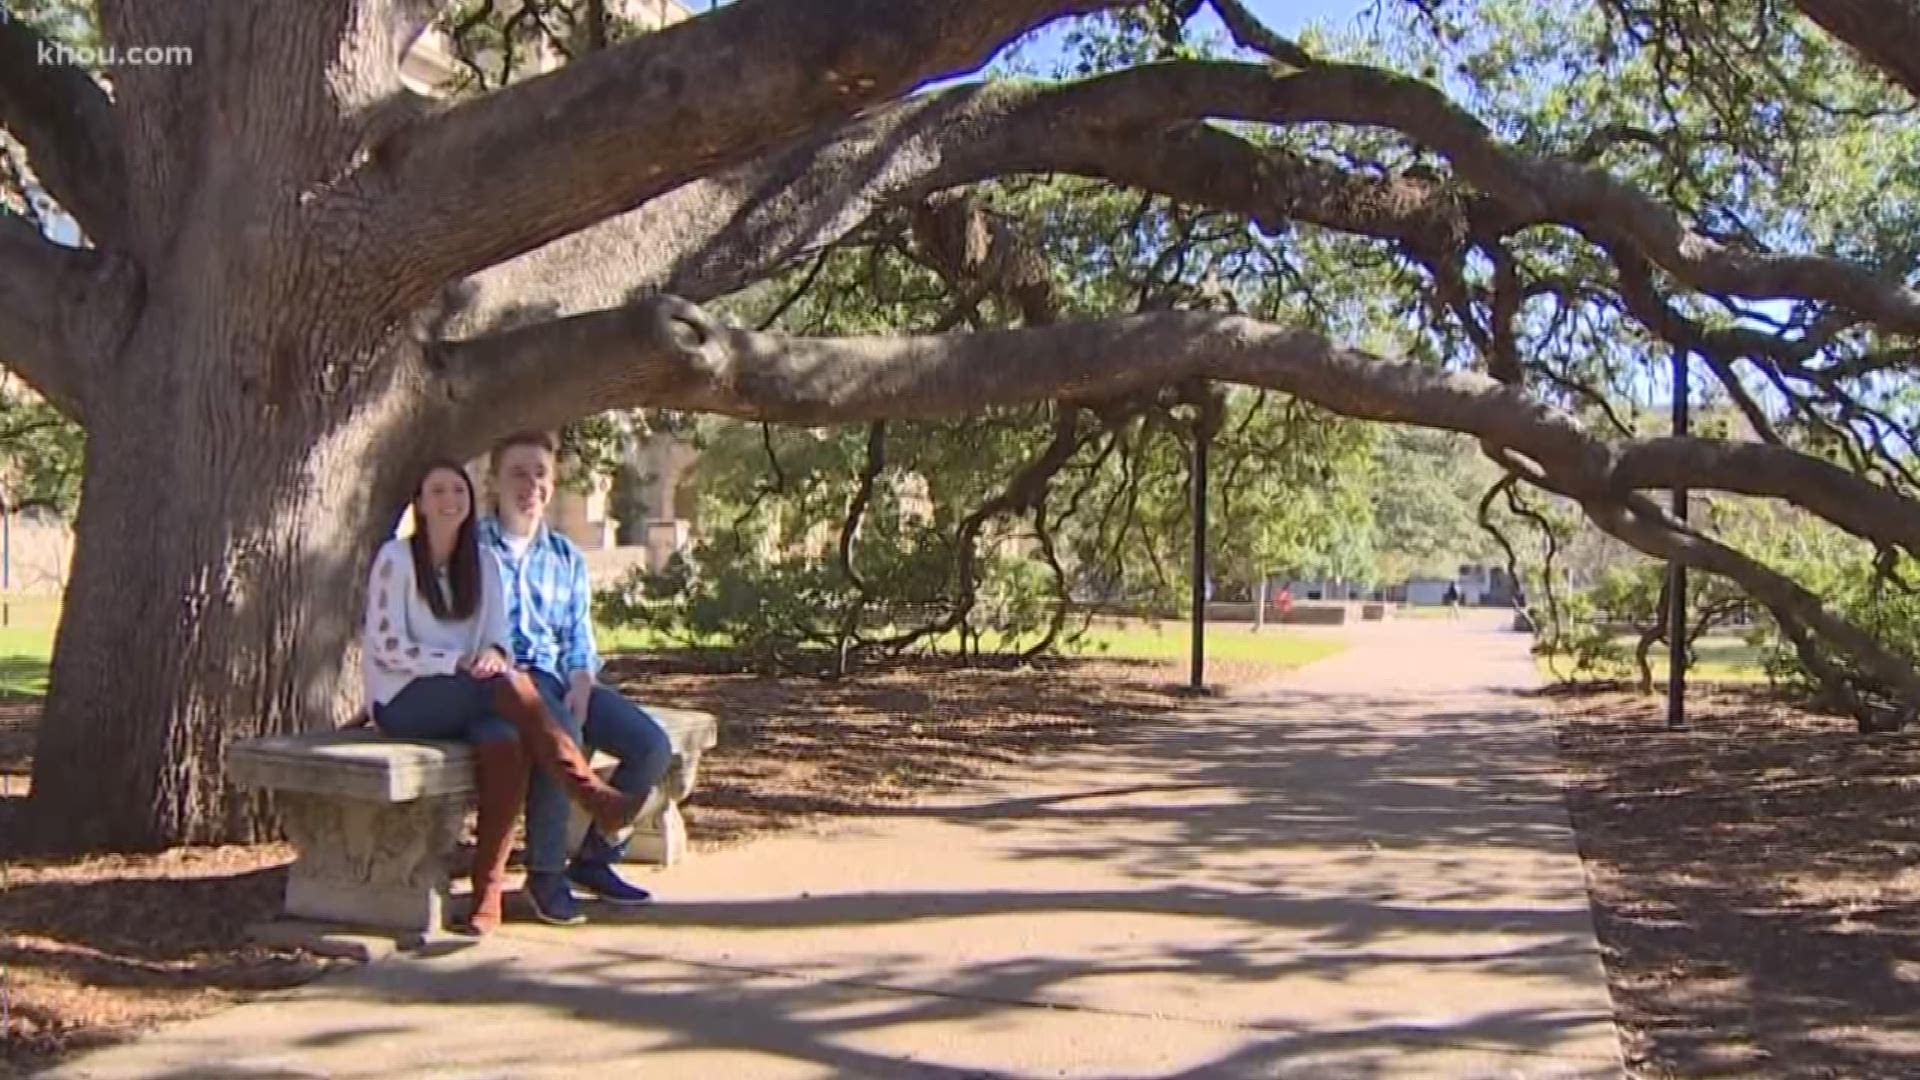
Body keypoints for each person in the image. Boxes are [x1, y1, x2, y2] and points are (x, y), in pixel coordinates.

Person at [362, 461, 650, 934]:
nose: (449, 499)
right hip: (406, 698)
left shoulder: (484, 563)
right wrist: (456, 662)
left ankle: (487, 894)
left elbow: (499, 639)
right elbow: (385, 645)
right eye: (437, 491)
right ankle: (591, 793)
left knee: (506, 742)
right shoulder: (396, 559)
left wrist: (493, 654)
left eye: (458, 489)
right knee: (511, 687)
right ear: (419, 502)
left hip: (473, 696)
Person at [480, 431, 676, 926]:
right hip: (504, 681)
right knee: (561, 731)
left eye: (540, 474)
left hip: (562, 674)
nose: (530, 485)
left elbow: (578, 633)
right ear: (494, 482)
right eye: (518, 474)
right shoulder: (471, 547)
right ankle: (545, 875)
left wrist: (583, 678)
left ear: (553, 484)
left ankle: (597, 857)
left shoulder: (564, 555)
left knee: (651, 745)